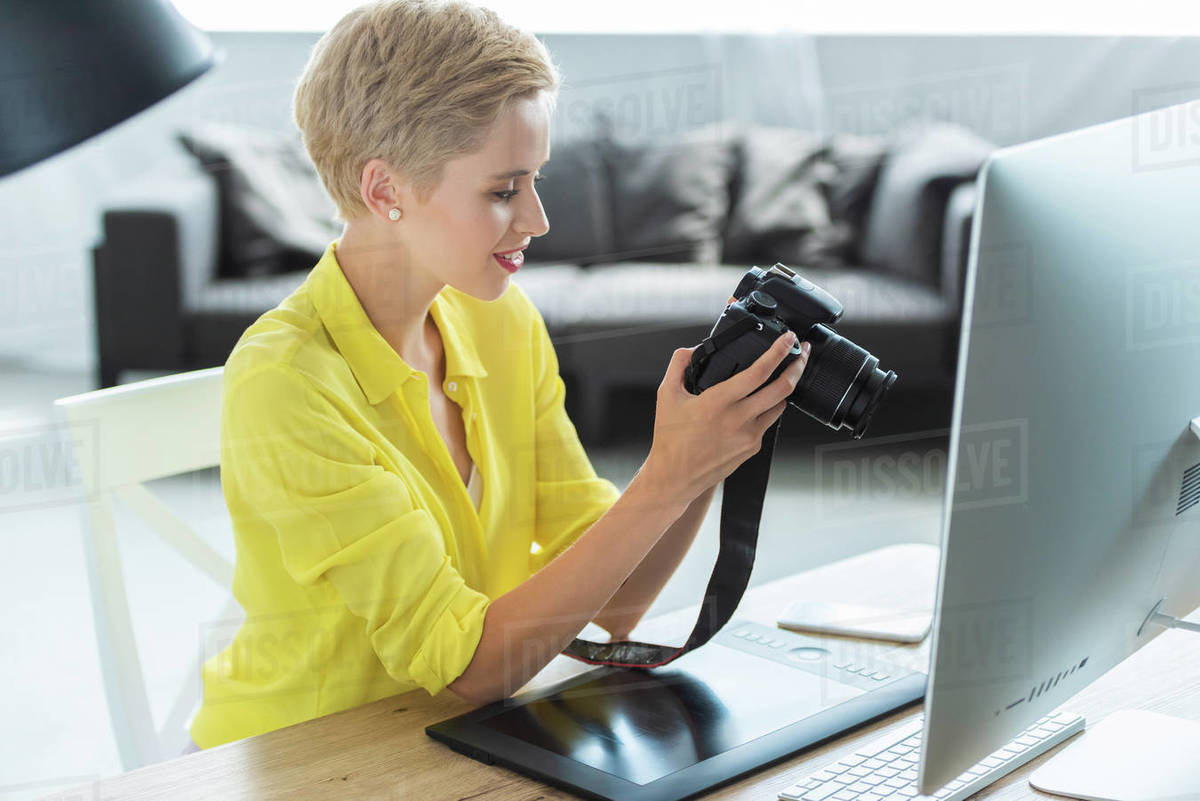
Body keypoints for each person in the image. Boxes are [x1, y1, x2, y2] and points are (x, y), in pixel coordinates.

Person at [187, 0, 811, 750]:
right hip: (307, 759)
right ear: (385, 190)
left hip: (458, 741)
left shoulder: (500, 322)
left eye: (534, 180)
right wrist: (670, 473)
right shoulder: (286, 382)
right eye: (504, 190)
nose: (539, 218)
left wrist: (708, 451)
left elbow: (621, 600)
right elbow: (470, 667)